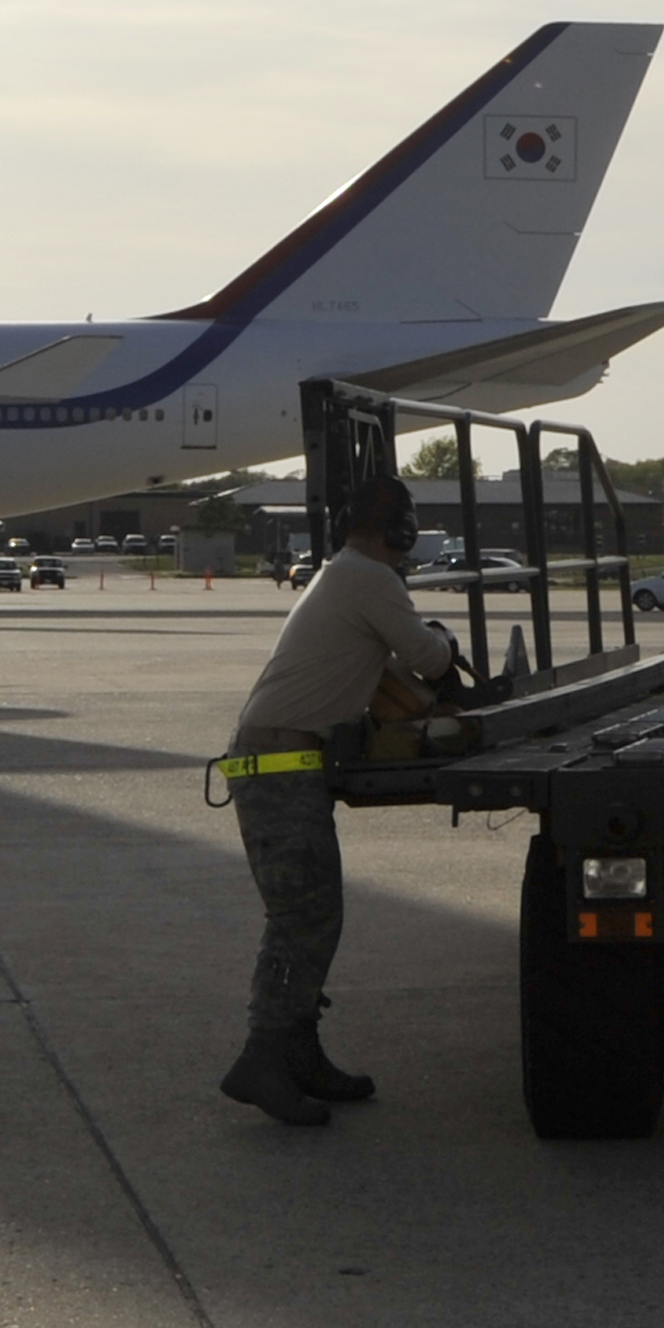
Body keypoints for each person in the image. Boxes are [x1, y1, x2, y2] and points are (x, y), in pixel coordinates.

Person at [214, 476, 460, 1125]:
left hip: (280, 763)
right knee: (303, 920)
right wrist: (448, 644)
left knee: (310, 918)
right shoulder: (370, 579)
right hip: (278, 767)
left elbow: (385, 674)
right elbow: (428, 659)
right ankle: (263, 1061)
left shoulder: (342, 574)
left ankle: (298, 1054)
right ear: (402, 533)